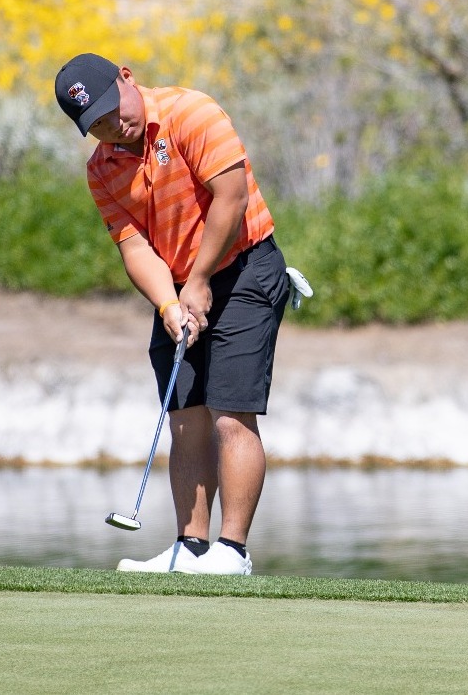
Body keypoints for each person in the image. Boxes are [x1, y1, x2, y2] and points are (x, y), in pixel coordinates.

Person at [54, 52, 293, 575]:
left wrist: (201, 281)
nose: (113, 126)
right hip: (181, 285)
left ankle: (233, 552)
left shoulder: (192, 113)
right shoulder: (103, 169)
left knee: (231, 413)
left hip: (244, 267)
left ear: (127, 79)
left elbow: (230, 200)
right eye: (95, 124)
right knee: (185, 417)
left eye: (112, 110)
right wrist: (168, 302)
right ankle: (192, 548)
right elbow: (135, 247)